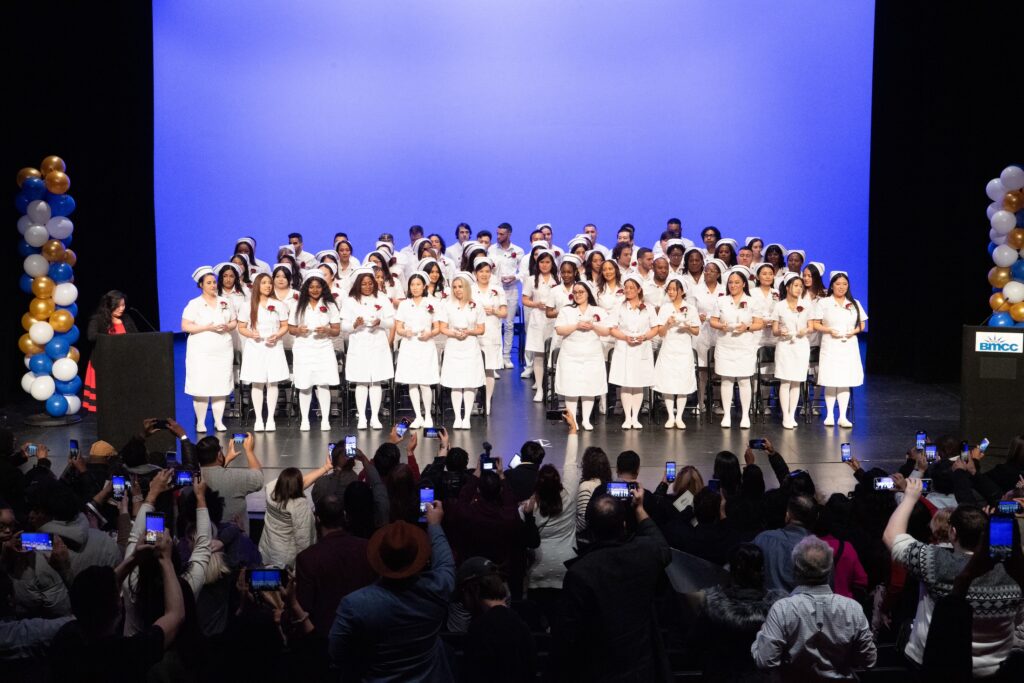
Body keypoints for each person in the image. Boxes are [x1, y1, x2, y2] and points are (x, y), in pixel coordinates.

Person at [884, 479, 1024, 677]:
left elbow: (892, 536)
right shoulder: (1015, 572)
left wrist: (909, 498)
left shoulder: (935, 561)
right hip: (996, 671)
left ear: (953, 532)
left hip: (937, 665)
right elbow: (1019, 618)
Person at [328, 505, 454, 681]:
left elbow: (337, 653)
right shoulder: (438, 588)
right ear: (418, 558)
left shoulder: (355, 604)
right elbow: (445, 561)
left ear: (380, 558)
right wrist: (434, 524)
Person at [561, 486, 672, 681]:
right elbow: (662, 545)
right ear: (623, 524)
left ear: (591, 530)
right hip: (642, 668)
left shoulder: (579, 573)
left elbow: (569, 635)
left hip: (600, 669)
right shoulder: (645, 553)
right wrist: (639, 508)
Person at [49, 535, 185, 683]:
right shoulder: (127, 653)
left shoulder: (65, 638)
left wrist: (134, 558)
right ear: (119, 607)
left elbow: (96, 593)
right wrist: (166, 560)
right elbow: (175, 615)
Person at [751, 536, 877, 680]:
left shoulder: (782, 609)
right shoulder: (852, 609)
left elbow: (766, 662)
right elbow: (869, 661)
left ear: (795, 570)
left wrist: (761, 635)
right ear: (830, 570)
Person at [690, 543, 785, 683]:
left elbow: (695, 643)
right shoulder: (779, 607)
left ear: (731, 570)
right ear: (762, 569)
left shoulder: (713, 606)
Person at [295, 492, 379, 637]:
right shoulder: (368, 548)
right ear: (345, 516)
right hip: (366, 634)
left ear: (317, 519)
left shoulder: (307, 558)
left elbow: (304, 608)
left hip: (325, 640)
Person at [460, 559, 538, 682]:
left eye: (463, 593)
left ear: (475, 590)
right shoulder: (520, 623)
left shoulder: (481, 629)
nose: (463, 602)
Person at [181, 266, 236, 433]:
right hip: (201, 351)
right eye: (209, 282)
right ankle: (201, 422)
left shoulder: (225, 301)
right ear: (201, 285)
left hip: (222, 349)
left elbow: (234, 322)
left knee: (220, 385)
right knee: (202, 385)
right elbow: (185, 326)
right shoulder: (195, 304)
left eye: (214, 282)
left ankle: (219, 421)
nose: (213, 285)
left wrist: (226, 326)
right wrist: (207, 327)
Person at [524, 464, 578, 631]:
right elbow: (570, 467)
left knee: (536, 625)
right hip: (565, 570)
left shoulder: (528, 509)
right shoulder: (569, 500)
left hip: (537, 572)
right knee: (562, 625)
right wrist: (572, 436)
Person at [709, 267, 764, 429]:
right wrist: (721, 325)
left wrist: (746, 327)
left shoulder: (753, 301)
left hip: (745, 346)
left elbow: (759, 323)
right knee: (726, 380)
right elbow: (713, 321)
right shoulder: (721, 300)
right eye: (731, 282)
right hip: (725, 345)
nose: (733, 285)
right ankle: (726, 414)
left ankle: (745, 415)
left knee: (744, 380)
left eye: (737, 282)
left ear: (744, 284)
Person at [341, 270, 395, 430]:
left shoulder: (382, 298)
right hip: (359, 343)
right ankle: (362, 417)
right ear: (358, 284)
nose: (367, 286)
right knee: (361, 380)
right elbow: (344, 326)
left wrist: (381, 322)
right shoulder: (350, 301)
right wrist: (354, 324)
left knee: (376, 380)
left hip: (378, 342)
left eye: (370, 283)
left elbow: (392, 322)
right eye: (364, 283)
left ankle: (374, 417)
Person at [288, 272, 342, 431]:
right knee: (305, 384)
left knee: (323, 383)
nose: (315, 290)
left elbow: (336, 331)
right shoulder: (297, 305)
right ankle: (305, 419)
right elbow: (291, 329)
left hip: (323, 348)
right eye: (311, 287)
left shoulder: (330, 305)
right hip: (303, 348)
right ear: (306, 288)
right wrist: (298, 329)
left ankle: (325, 419)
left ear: (323, 288)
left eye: (318, 287)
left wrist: (326, 330)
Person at [813, 272, 867, 428]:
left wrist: (854, 332)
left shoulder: (854, 303)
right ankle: (829, 415)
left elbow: (862, 325)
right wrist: (829, 330)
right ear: (832, 285)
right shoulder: (824, 303)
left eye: (844, 284)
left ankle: (842, 416)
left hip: (849, 345)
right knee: (831, 380)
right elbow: (816, 324)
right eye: (838, 284)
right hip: (831, 343)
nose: (841, 287)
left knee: (844, 381)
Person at [554, 281, 610, 431]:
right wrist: (576, 326)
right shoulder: (566, 311)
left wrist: (593, 326)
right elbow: (559, 330)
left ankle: (586, 419)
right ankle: (573, 420)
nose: (578, 295)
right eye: (576, 292)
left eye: (581, 292)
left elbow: (606, 331)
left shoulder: (598, 311)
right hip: (570, 354)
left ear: (588, 293)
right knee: (571, 387)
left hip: (592, 354)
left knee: (589, 387)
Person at [237, 273, 289, 432]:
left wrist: (277, 335)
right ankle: (259, 419)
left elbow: (285, 325)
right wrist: (251, 334)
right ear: (257, 285)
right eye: (264, 283)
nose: (268, 286)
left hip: (273, 345)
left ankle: (271, 418)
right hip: (255, 346)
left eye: (269, 283)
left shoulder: (279, 305)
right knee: (257, 382)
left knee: (272, 382)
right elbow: (241, 327)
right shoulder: (247, 305)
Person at [608, 273, 659, 429]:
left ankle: (635, 417)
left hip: (642, 347)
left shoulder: (648, 308)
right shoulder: (619, 307)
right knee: (625, 383)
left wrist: (644, 337)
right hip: (624, 347)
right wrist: (625, 337)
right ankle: (627, 417)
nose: (628, 290)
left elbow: (655, 328)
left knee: (638, 383)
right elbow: (612, 328)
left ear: (638, 289)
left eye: (631, 287)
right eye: (626, 287)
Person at [259, 462, 332, 569]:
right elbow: (304, 540)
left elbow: (301, 482)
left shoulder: (271, 489)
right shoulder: (298, 506)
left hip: (268, 549)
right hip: (286, 558)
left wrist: (325, 468)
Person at [438, 272, 487, 429]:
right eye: (454, 287)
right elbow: (442, 328)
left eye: (460, 287)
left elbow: (481, 329)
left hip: (470, 346)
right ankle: (457, 417)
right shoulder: (447, 305)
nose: (457, 290)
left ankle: (466, 417)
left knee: (469, 382)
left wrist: (468, 332)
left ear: (466, 288)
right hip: (453, 346)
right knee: (456, 383)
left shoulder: (476, 305)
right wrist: (454, 333)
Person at [394, 271, 441, 428]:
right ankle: (418, 416)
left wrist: (430, 334)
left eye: (418, 284)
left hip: (426, 345)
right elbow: (398, 327)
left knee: (424, 382)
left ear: (424, 286)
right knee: (411, 382)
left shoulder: (432, 303)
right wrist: (404, 332)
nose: (415, 288)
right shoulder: (404, 304)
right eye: (412, 285)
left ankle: (428, 415)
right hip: (409, 345)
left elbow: (437, 327)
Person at [654, 275, 701, 429]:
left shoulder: (691, 308)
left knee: (683, 383)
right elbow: (660, 332)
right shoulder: (665, 308)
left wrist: (686, 326)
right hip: (668, 349)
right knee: (667, 382)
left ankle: (679, 416)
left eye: (675, 289)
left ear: (682, 291)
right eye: (670, 289)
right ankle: (670, 415)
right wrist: (668, 323)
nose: (672, 292)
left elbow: (696, 331)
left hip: (684, 349)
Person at [195, 433, 263, 535]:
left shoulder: (194, 480)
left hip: (204, 539)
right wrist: (249, 451)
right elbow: (258, 479)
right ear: (218, 455)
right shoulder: (235, 478)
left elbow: (213, 473)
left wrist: (225, 460)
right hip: (236, 543)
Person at [82, 289, 139, 413]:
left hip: (125, 363)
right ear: (108, 306)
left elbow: (136, 337)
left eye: (123, 305)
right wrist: (113, 340)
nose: (121, 308)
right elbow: (91, 336)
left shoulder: (127, 318)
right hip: (104, 363)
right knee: (106, 405)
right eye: (117, 306)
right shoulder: (98, 319)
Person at [772, 274, 814, 429]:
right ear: (788, 287)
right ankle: (785, 415)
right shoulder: (779, 306)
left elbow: (811, 326)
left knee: (797, 381)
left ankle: (792, 414)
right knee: (785, 381)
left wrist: (806, 331)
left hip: (801, 345)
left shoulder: (807, 305)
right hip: (785, 345)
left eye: (801, 286)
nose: (799, 288)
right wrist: (780, 332)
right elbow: (774, 330)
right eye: (796, 285)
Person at [752, 495, 816, 591]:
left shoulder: (763, 538)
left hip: (764, 604)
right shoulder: (818, 551)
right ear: (814, 519)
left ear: (787, 515)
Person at [471, 256, 509, 415]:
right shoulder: (470, 288)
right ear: (475, 273)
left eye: (487, 271)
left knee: (490, 368)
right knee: (473, 368)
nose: (484, 274)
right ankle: (472, 403)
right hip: (474, 332)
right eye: (481, 271)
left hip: (492, 331)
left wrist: (493, 310)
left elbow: (504, 313)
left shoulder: (498, 289)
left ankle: (487, 402)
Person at [521, 249, 558, 400]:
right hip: (537, 318)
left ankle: (552, 389)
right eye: (541, 262)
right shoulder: (531, 280)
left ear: (552, 263)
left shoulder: (558, 278)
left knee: (553, 354)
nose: (544, 265)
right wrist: (536, 304)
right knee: (538, 354)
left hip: (554, 319)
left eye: (547, 262)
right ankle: (540, 389)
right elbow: (524, 299)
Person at [487, 223, 523, 369]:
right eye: (497, 234)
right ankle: (495, 357)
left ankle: (506, 357)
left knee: (509, 325)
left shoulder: (518, 251)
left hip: (511, 289)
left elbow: (523, 271)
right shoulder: (491, 250)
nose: (498, 236)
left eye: (502, 234)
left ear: (509, 234)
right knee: (495, 324)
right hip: (495, 289)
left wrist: (514, 277)